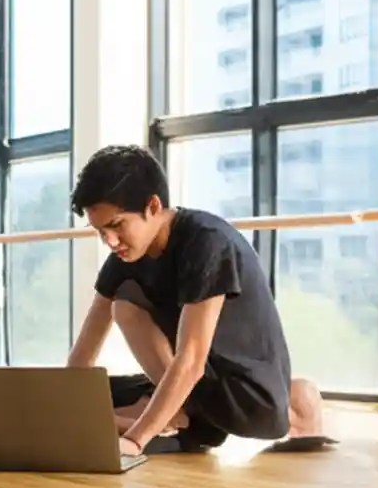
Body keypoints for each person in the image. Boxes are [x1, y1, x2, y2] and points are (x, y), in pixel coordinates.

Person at [65, 145, 336, 456]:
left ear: (153, 206)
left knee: (127, 324)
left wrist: (134, 440)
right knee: (100, 380)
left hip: (245, 396)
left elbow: (191, 360)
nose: (110, 242)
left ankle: (293, 404)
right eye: (100, 232)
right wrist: (67, 410)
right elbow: (81, 360)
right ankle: (169, 416)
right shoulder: (125, 257)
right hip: (191, 387)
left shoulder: (207, 242)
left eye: (116, 226)